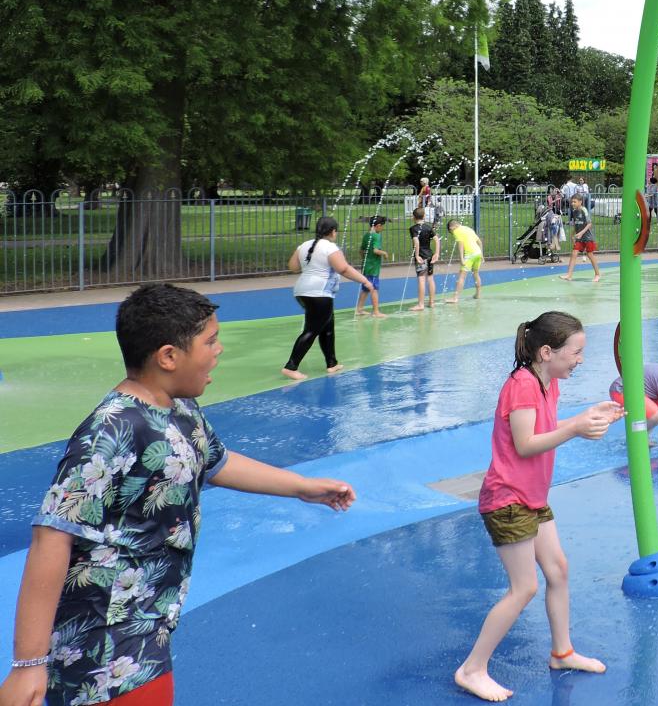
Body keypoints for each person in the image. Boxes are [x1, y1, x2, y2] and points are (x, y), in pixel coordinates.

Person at [0, 285, 354, 706]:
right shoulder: (111, 432)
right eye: (210, 341)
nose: (219, 350)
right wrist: (28, 664)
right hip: (105, 647)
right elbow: (51, 536)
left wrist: (304, 488)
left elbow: (216, 463)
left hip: (149, 628)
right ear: (168, 356)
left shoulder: (180, 408)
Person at [454, 312, 623, 701]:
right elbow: (526, 443)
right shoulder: (522, 385)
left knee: (558, 570)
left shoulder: (548, 382)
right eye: (576, 352)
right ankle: (472, 668)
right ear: (547, 352)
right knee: (523, 587)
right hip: (507, 498)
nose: (580, 359)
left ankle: (562, 651)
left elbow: (546, 428)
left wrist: (586, 418)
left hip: (531, 496)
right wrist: (576, 427)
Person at [284, 216, 374, 380]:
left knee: (327, 327)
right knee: (312, 330)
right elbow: (343, 269)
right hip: (319, 293)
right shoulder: (330, 248)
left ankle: (331, 363)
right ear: (333, 231)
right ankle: (291, 366)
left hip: (302, 291)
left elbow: (293, 267)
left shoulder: (305, 245)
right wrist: (365, 280)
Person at [560, 194, 600, 282]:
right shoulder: (574, 212)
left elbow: (589, 224)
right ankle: (569, 275)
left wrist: (581, 233)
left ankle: (597, 274)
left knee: (590, 255)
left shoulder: (584, 210)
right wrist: (572, 234)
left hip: (587, 237)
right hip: (579, 237)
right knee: (574, 254)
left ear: (580, 202)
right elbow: (576, 224)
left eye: (575, 202)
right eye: (572, 202)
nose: (572, 203)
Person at [354, 215, 389, 317]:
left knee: (365, 288)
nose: (382, 229)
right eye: (382, 226)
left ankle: (359, 309)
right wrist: (384, 253)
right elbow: (375, 250)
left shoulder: (366, 235)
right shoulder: (376, 236)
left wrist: (366, 259)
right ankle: (376, 311)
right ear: (378, 226)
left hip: (366, 266)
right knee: (374, 289)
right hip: (373, 268)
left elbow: (361, 251)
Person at [446, 217, 485, 303]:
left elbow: (460, 244)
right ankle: (478, 294)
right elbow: (480, 242)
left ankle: (455, 298)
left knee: (462, 276)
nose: (452, 234)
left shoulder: (456, 231)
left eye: (451, 232)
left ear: (451, 227)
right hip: (477, 253)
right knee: (476, 274)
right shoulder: (468, 229)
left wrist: (461, 258)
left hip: (469, 255)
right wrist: (481, 254)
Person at [409, 206, 439, 311]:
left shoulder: (413, 229)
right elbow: (437, 240)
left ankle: (421, 304)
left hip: (421, 257)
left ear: (413, 217)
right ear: (424, 216)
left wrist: (417, 255)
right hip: (430, 255)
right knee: (430, 278)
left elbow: (416, 241)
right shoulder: (428, 227)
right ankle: (432, 302)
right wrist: (437, 253)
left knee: (421, 279)